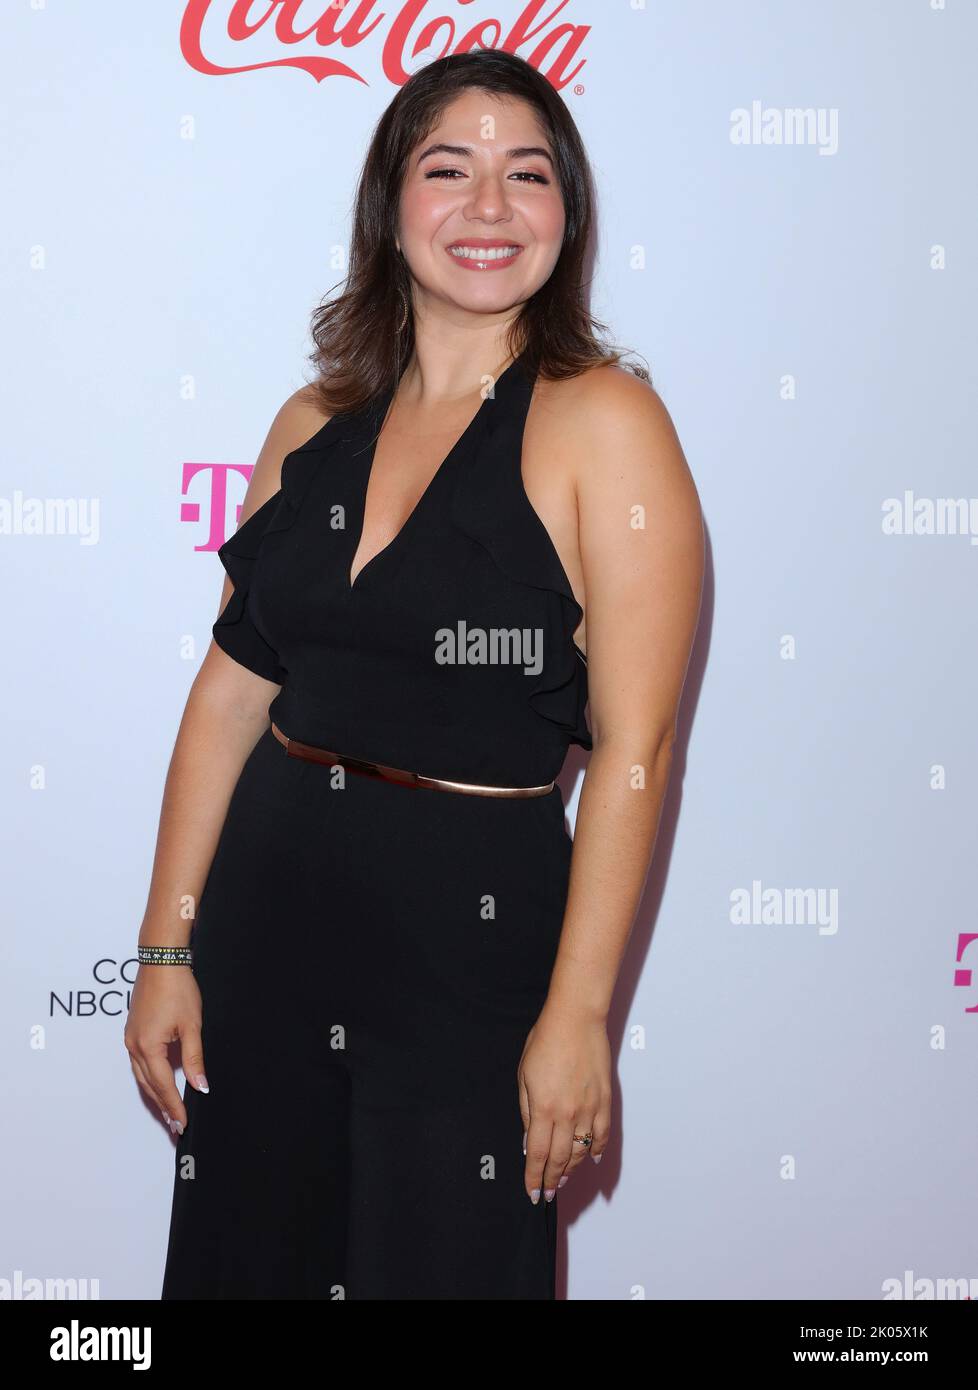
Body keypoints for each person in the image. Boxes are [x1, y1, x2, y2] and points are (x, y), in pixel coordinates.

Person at [126, 49, 704, 1300]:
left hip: (470, 953)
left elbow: (637, 751)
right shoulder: (313, 422)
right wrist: (166, 949)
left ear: (569, 214)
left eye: (527, 174)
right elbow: (228, 699)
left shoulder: (605, 423)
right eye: (450, 170)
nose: (489, 206)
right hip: (263, 926)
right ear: (391, 205)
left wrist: (578, 1015)